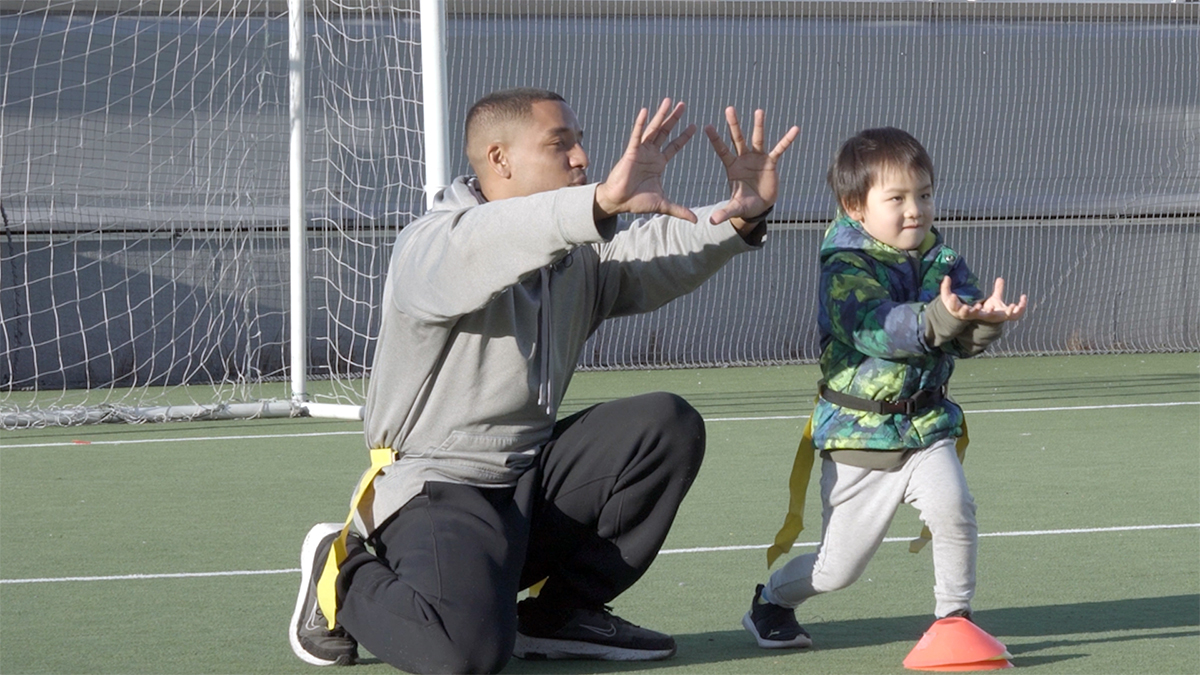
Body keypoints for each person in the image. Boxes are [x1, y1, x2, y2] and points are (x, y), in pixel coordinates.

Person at [289, 88, 799, 674]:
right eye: (561, 144)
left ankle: (561, 615)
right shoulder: (430, 244)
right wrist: (600, 202)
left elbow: (649, 253)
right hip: (439, 488)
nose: (582, 157)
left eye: (579, 142)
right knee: (467, 654)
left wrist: (740, 216)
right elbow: (485, 244)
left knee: (664, 425)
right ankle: (342, 571)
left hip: (527, 479)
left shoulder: (574, 258)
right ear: (500, 160)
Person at [742, 127, 1027, 650]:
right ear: (855, 207)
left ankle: (953, 622)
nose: (914, 209)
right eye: (896, 198)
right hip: (860, 440)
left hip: (925, 428)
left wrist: (984, 322)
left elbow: (956, 340)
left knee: (954, 510)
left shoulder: (941, 259)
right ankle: (773, 602)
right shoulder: (844, 267)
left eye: (923, 194)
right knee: (837, 571)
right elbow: (877, 328)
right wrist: (942, 318)